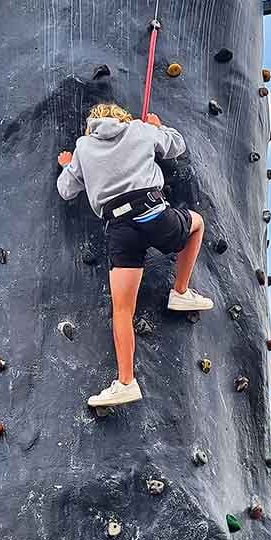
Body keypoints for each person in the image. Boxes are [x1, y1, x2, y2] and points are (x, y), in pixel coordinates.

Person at [56, 102, 213, 407]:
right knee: (197, 224)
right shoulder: (139, 130)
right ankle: (180, 291)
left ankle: (126, 381)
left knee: (123, 310)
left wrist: (68, 164)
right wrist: (157, 127)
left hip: (119, 228)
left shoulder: (84, 149)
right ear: (122, 119)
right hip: (152, 214)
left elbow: (66, 190)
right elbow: (176, 146)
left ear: (92, 126)